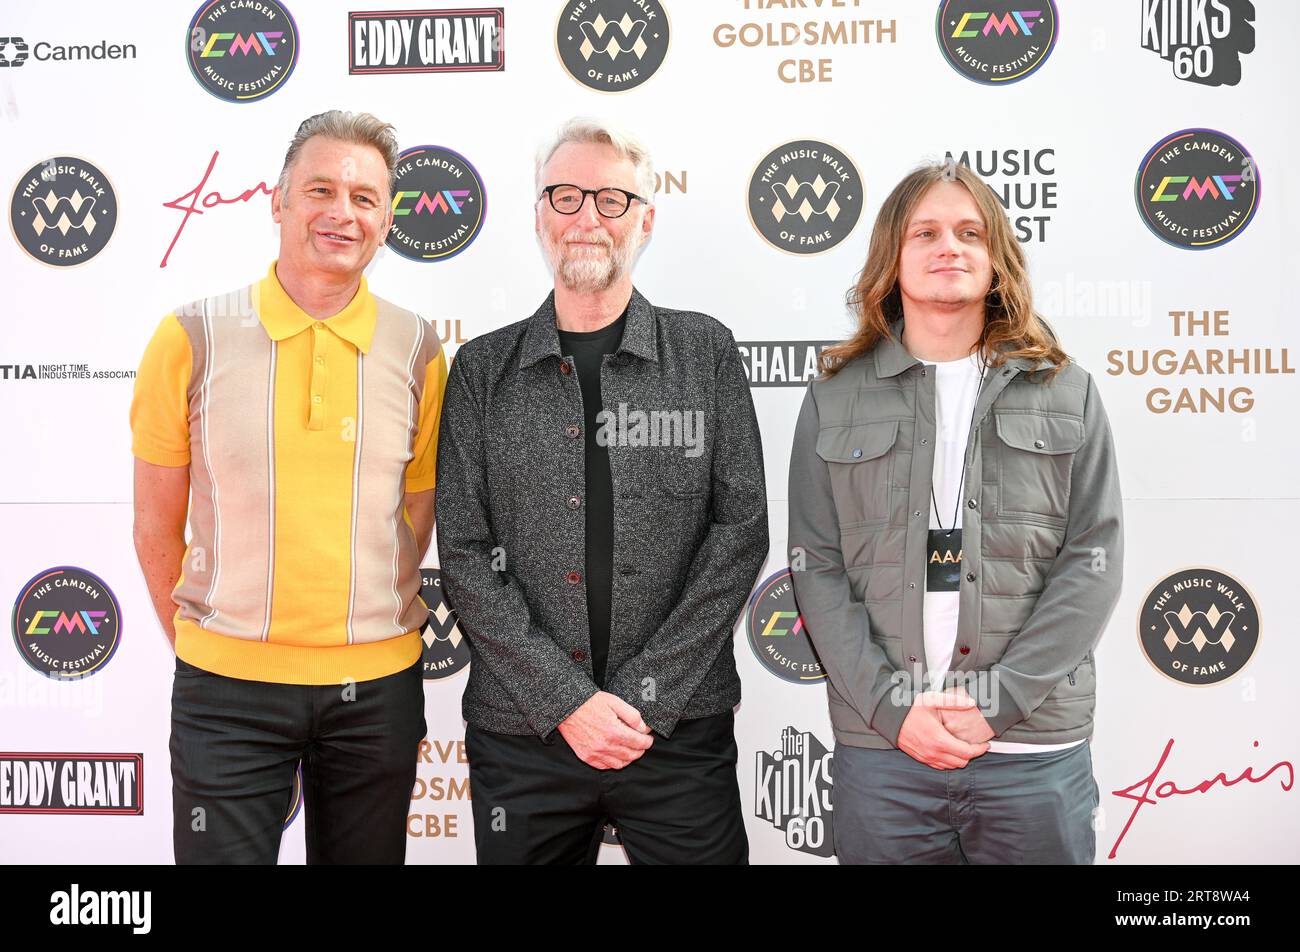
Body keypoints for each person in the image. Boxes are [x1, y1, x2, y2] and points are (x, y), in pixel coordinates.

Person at [436, 117, 768, 864]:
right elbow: (461, 551)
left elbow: (740, 530)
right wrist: (568, 704)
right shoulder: (483, 371)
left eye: (611, 199)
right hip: (523, 738)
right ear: (537, 217)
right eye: (564, 195)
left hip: (679, 732)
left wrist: (645, 699)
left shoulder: (704, 351)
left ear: (645, 219)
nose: (586, 216)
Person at [130, 110, 447, 864]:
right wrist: (213, 654)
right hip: (226, 693)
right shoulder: (191, 337)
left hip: (376, 694)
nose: (342, 213)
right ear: (277, 201)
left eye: (366, 198)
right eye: (321, 190)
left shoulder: (418, 349)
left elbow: (417, 507)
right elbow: (153, 528)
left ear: (388, 219)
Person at [788, 161, 1123, 864]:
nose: (951, 247)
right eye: (927, 232)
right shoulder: (833, 397)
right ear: (893, 258)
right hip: (885, 752)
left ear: (997, 260)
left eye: (971, 232)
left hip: (1032, 750)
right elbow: (815, 566)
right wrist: (891, 709)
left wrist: (995, 703)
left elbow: (1092, 564)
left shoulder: (1068, 391)